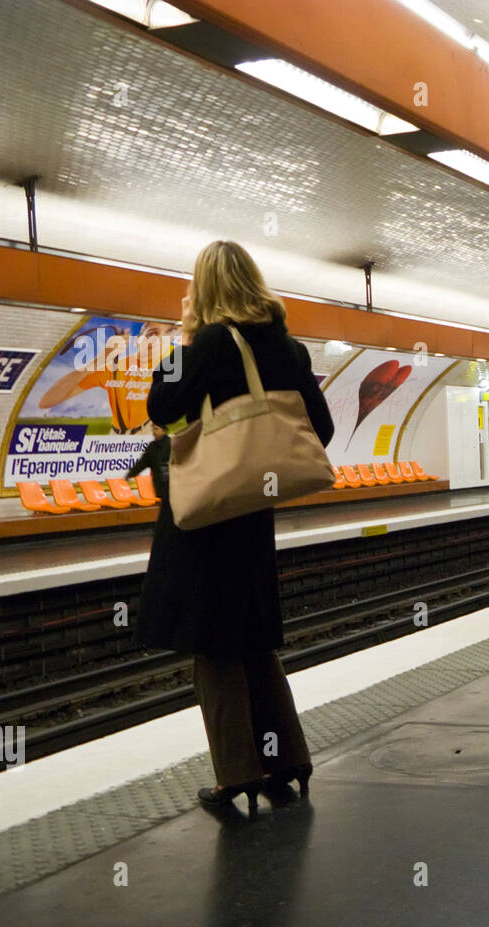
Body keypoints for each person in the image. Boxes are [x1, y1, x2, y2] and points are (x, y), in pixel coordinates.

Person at [139, 241, 334, 811]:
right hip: (255, 512)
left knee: (213, 644)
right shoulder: (288, 348)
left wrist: (184, 340)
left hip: (207, 512)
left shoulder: (212, 341)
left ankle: (237, 774)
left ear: (204, 290)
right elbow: (318, 425)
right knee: (253, 636)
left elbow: (161, 403)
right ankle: (288, 761)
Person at [125, 424, 170, 500]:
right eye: (153, 429)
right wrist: (130, 474)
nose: (153, 432)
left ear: (163, 430)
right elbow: (142, 463)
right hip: (159, 488)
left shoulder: (172, 444)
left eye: (156, 429)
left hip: (172, 487)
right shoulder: (152, 447)